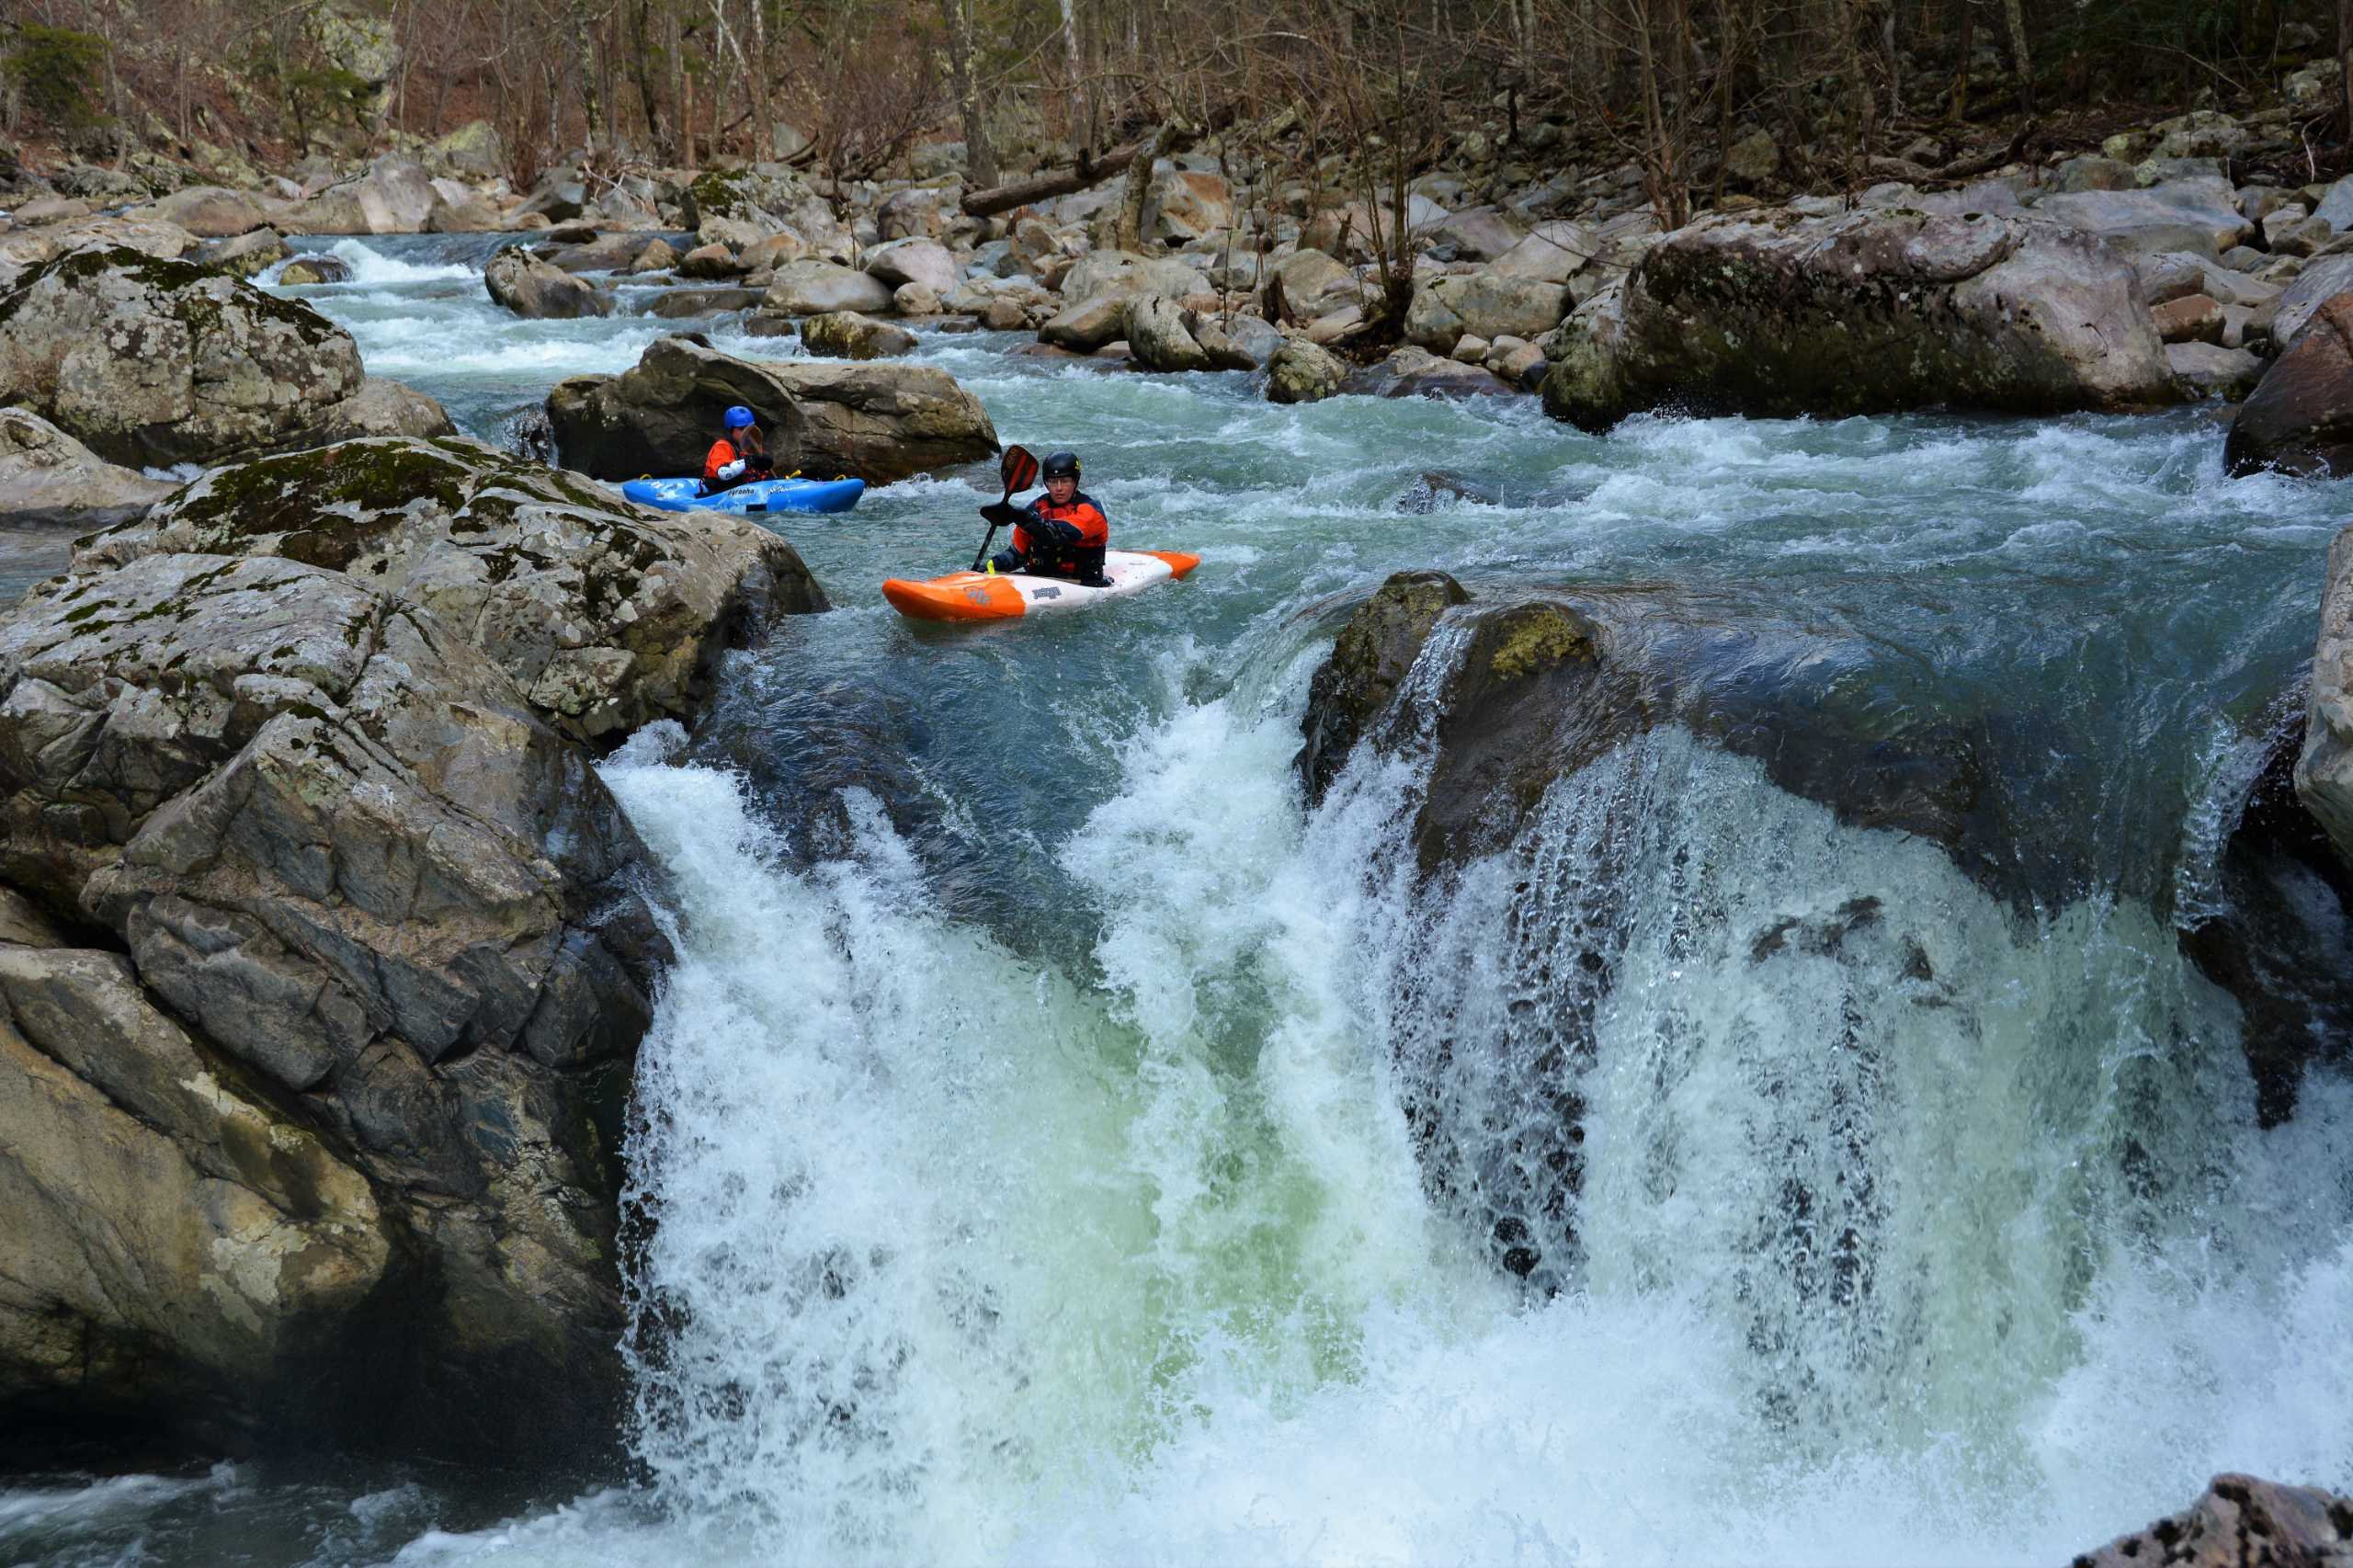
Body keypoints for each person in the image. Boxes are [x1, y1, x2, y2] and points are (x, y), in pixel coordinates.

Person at [986, 449, 1108, 585]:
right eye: (1053, 481)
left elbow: (1058, 534)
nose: (1059, 488)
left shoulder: (1090, 510)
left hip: (1082, 583)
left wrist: (1022, 517)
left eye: (1065, 481)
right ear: (1046, 483)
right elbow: (1019, 554)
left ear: (1075, 481)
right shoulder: (1037, 507)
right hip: (1040, 581)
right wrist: (996, 564)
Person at [700, 404, 774, 494]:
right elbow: (723, 473)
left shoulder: (751, 447)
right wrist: (749, 461)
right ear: (731, 429)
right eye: (742, 428)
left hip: (745, 491)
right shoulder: (721, 447)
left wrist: (764, 462)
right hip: (718, 493)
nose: (747, 432)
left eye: (750, 428)